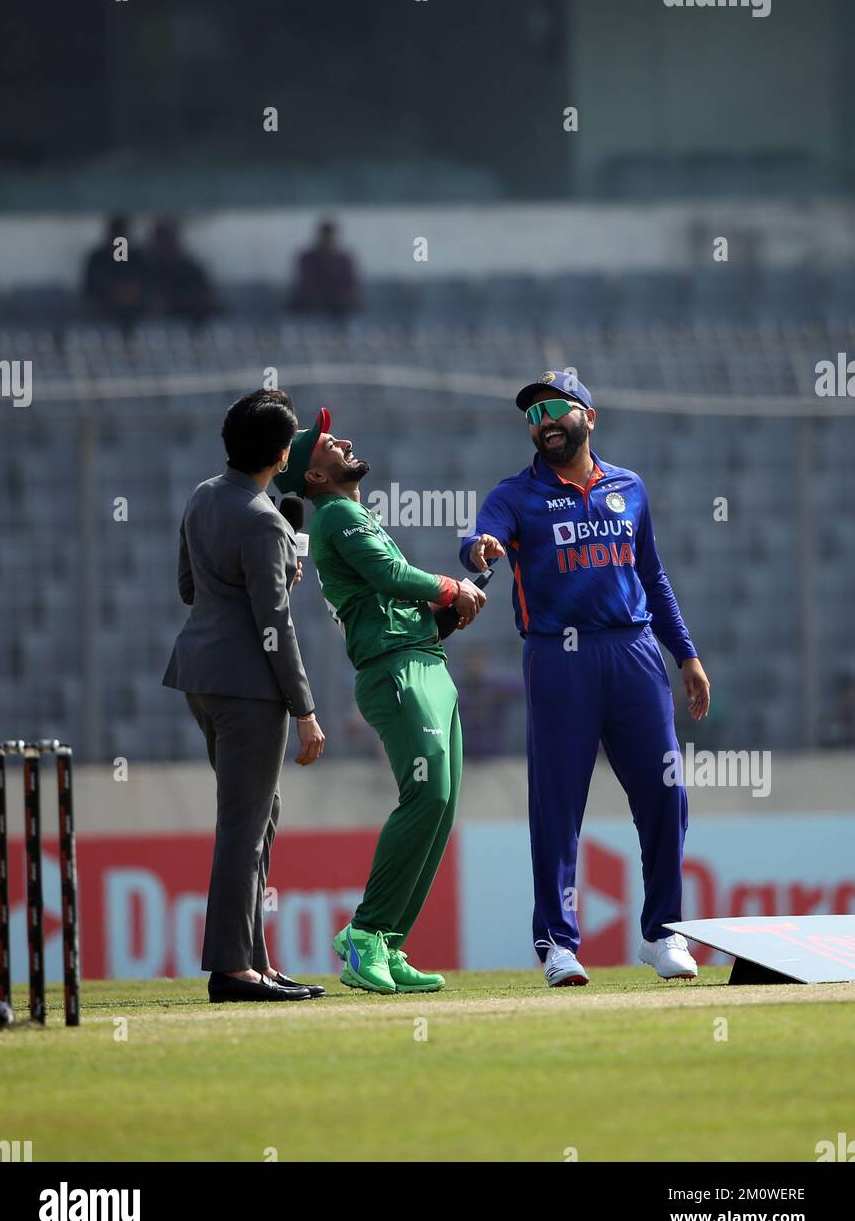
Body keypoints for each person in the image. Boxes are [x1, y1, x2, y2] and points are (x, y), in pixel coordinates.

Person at [460, 370, 711, 988]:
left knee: (665, 794)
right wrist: (482, 548)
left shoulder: (629, 487)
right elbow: (479, 535)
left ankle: (663, 933)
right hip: (558, 659)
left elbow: (653, 578)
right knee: (557, 805)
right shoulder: (516, 495)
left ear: (588, 417)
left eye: (555, 408)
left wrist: (686, 655)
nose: (543, 420)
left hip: (634, 652)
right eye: (532, 414)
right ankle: (558, 945)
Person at [277, 407, 484, 993]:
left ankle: (388, 943)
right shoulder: (338, 514)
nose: (340, 439)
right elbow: (393, 575)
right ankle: (365, 933)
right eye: (324, 444)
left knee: (441, 808)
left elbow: (391, 598)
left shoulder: (353, 513)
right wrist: (452, 587)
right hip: (398, 673)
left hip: (425, 662)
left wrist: (449, 608)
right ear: (313, 477)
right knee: (428, 794)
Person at [163, 389, 326, 1003]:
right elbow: (275, 624)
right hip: (248, 687)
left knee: (259, 816)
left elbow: (187, 587)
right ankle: (232, 970)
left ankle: (254, 959)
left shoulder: (203, 495)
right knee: (244, 825)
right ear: (283, 455)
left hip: (201, 677)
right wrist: (305, 710)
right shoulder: (264, 519)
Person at [81, 213, 149, 328]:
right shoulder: (98, 258)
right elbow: (88, 290)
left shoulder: (137, 258)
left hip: (136, 310)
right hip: (102, 309)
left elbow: (146, 287)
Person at [148, 218, 219, 325]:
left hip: (188, 329)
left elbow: (209, 300)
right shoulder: (149, 269)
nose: (164, 246)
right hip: (152, 329)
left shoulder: (191, 270)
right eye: (160, 241)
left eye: (167, 240)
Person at [289, 220, 361, 319]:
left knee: (350, 302)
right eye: (325, 236)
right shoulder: (307, 258)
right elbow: (306, 283)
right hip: (313, 300)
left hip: (337, 302)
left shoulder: (343, 259)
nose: (327, 239)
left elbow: (349, 283)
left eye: (330, 236)